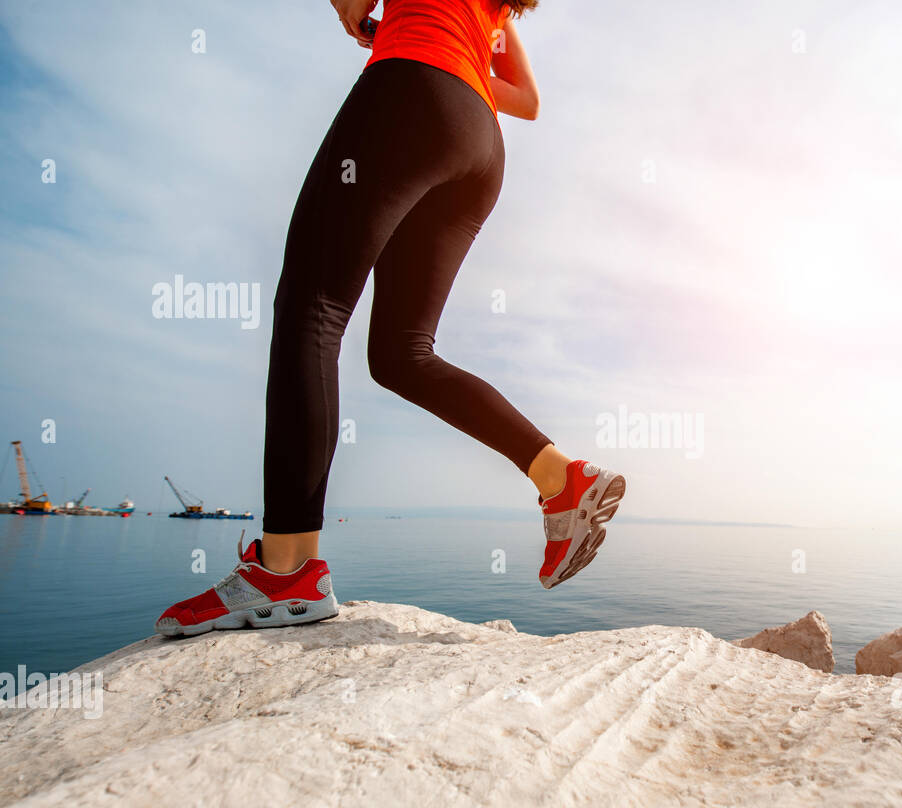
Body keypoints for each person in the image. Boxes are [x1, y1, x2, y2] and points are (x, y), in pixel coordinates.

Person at [155, 0, 625, 638]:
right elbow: (528, 99)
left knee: (311, 308)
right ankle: (561, 478)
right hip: (479, 141)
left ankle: (285, 569)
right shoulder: (496, 8)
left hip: (409, 94)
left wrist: (356, 19)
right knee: (403, 355)